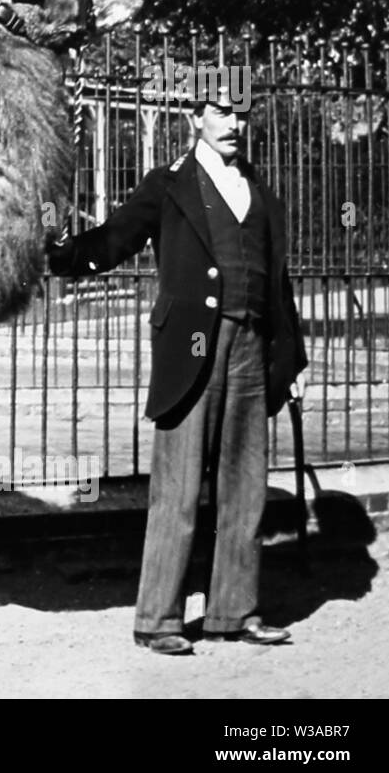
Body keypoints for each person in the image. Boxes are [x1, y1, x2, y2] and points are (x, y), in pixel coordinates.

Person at [45, 81, 307, 655]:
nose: (233, 123)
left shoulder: (260, 190)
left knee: (246, 490)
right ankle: (158, 620)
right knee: (179, 489)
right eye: (220, 112)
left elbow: (278, 280)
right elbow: (112, 241)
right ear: (196, 119)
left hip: (251, 349)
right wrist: (56, 249)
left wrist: (292, 359)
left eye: (241, 113)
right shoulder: (169, 183)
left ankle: (234, 612)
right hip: (190, 348)